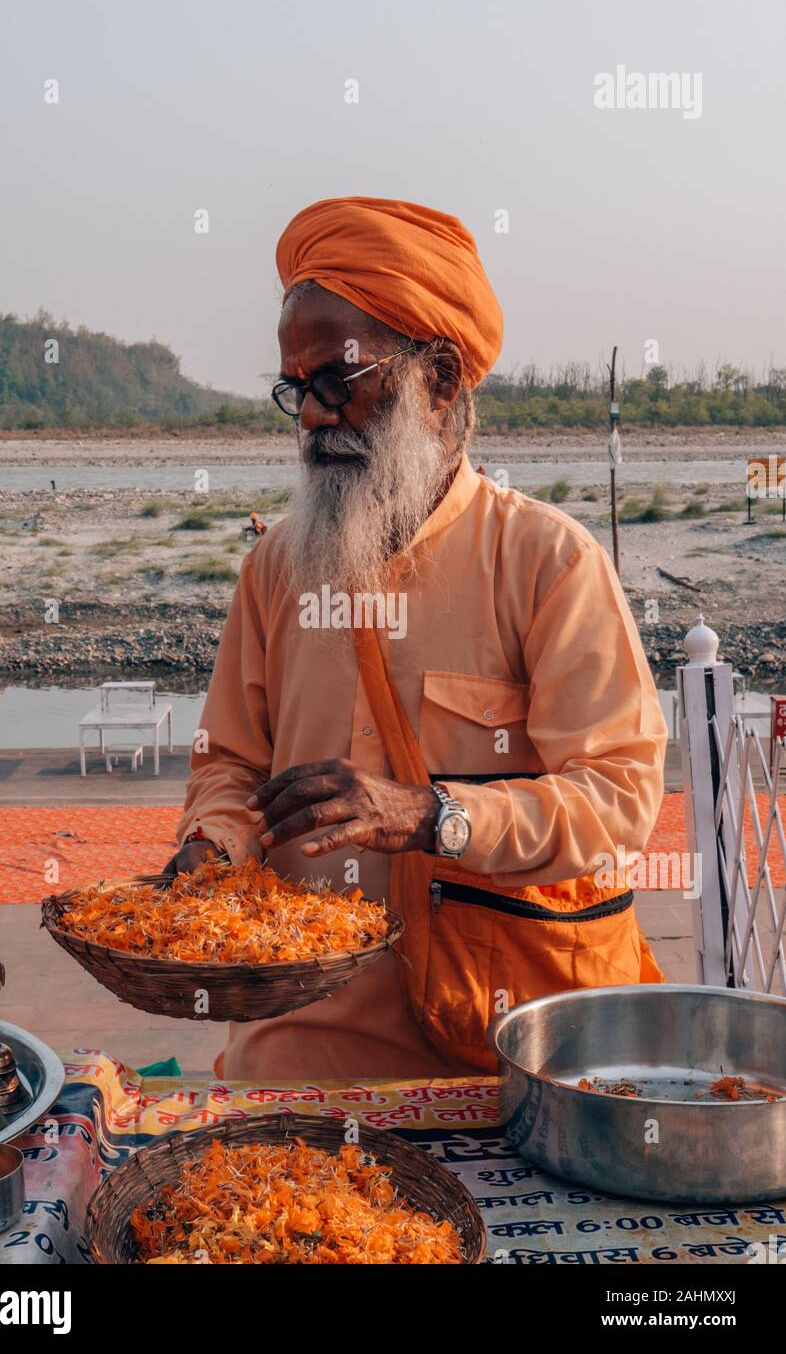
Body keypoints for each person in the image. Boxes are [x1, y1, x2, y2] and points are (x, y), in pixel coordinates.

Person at [170, 196, 667, 1080]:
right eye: (298, 390)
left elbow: (618, 800)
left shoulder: (547, 561)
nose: (315, 416)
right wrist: (211, 846)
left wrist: (435, 815)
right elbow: (229, 766)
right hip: (297, 1038)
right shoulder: (278, 570)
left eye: (340, 379)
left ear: (438, 380)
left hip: (505, 1050)